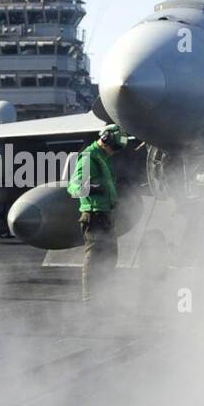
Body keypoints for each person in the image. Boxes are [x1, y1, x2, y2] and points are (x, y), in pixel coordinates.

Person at [68, 124, 128, 302]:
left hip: (105, 214)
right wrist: (90, 189)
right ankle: (90, 300)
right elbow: (73, 187)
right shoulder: (89, 157)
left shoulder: (103, 157)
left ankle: (104, 296)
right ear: (105, 139)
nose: (115, 151)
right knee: (94, 258)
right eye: (114, 146)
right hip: (93, 215)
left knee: (110, 257)